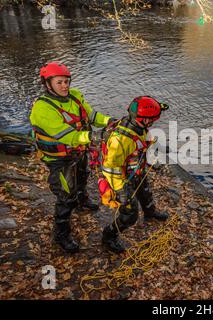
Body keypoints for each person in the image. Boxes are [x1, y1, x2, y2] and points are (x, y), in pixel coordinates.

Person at [29, 62, 116, 253]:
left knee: (83, 176)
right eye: (59, 82)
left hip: (79, 151)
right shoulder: (42, 109)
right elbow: (67, 136)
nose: (65, 86)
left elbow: (91, 116)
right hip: (59, 159)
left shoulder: (75, 96)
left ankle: (82, 201)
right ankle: (61, 235)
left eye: (67, 81)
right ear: (48, 84)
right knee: (65, 194)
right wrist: (96, 137)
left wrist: (110, 121)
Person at [98, 96, 169, 253]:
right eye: (151, 120)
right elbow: (110, 168)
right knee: (130, 213)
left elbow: (139, 144)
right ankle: (109, 235)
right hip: (122, 179)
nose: (153, 122)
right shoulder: (120, 140)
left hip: (135, 171)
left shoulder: (139, 127)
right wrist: (120, 190)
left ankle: (150, 212)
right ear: (141, 118)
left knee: (145, 192)